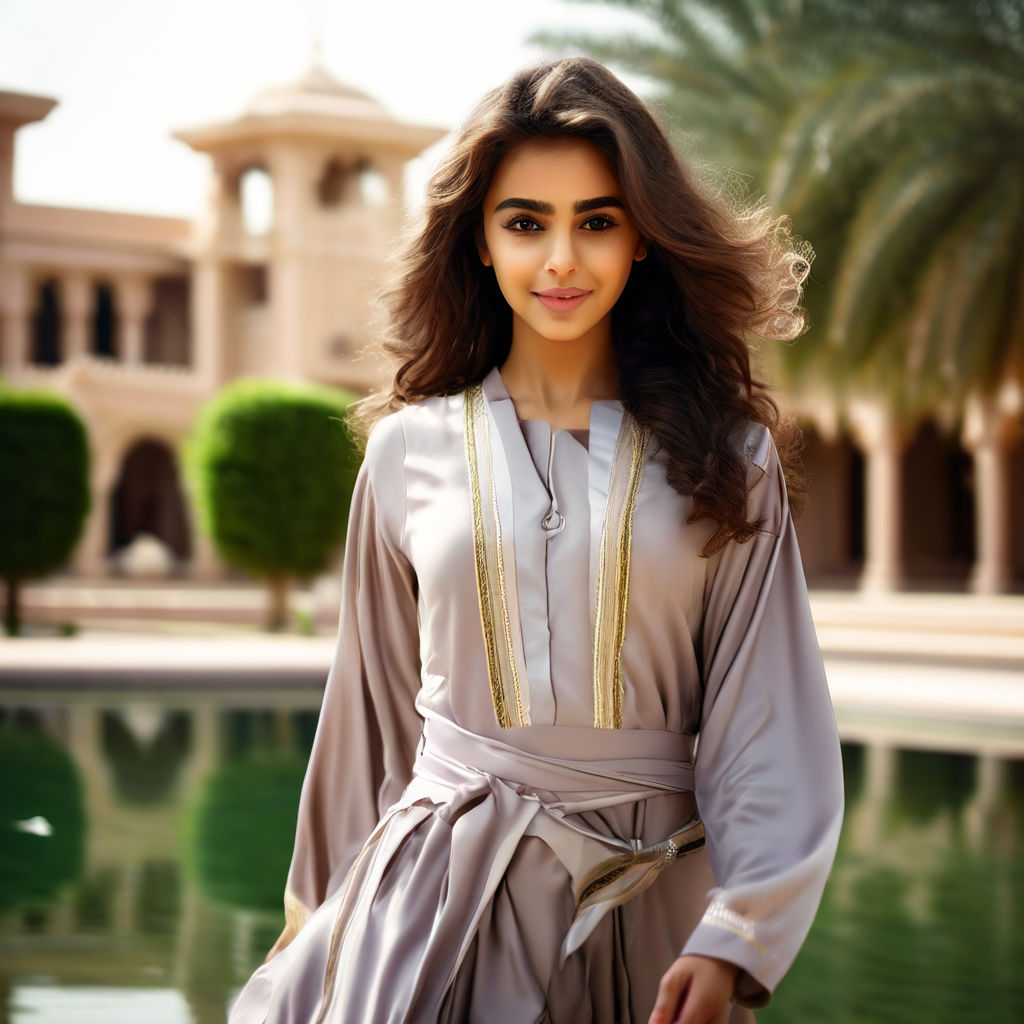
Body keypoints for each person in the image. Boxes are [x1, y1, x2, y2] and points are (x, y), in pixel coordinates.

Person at [230, 57, 843, 1024]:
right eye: (526, 223)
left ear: (642, 237)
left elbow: (764, 715)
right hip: (429, 915)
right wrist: (316, 920)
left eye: (595, 221)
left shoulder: (733, 458)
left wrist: (739, 933)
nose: (561, 260)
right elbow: (371, 714)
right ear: (479, 239)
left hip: (654, 921)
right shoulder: (403, 455)